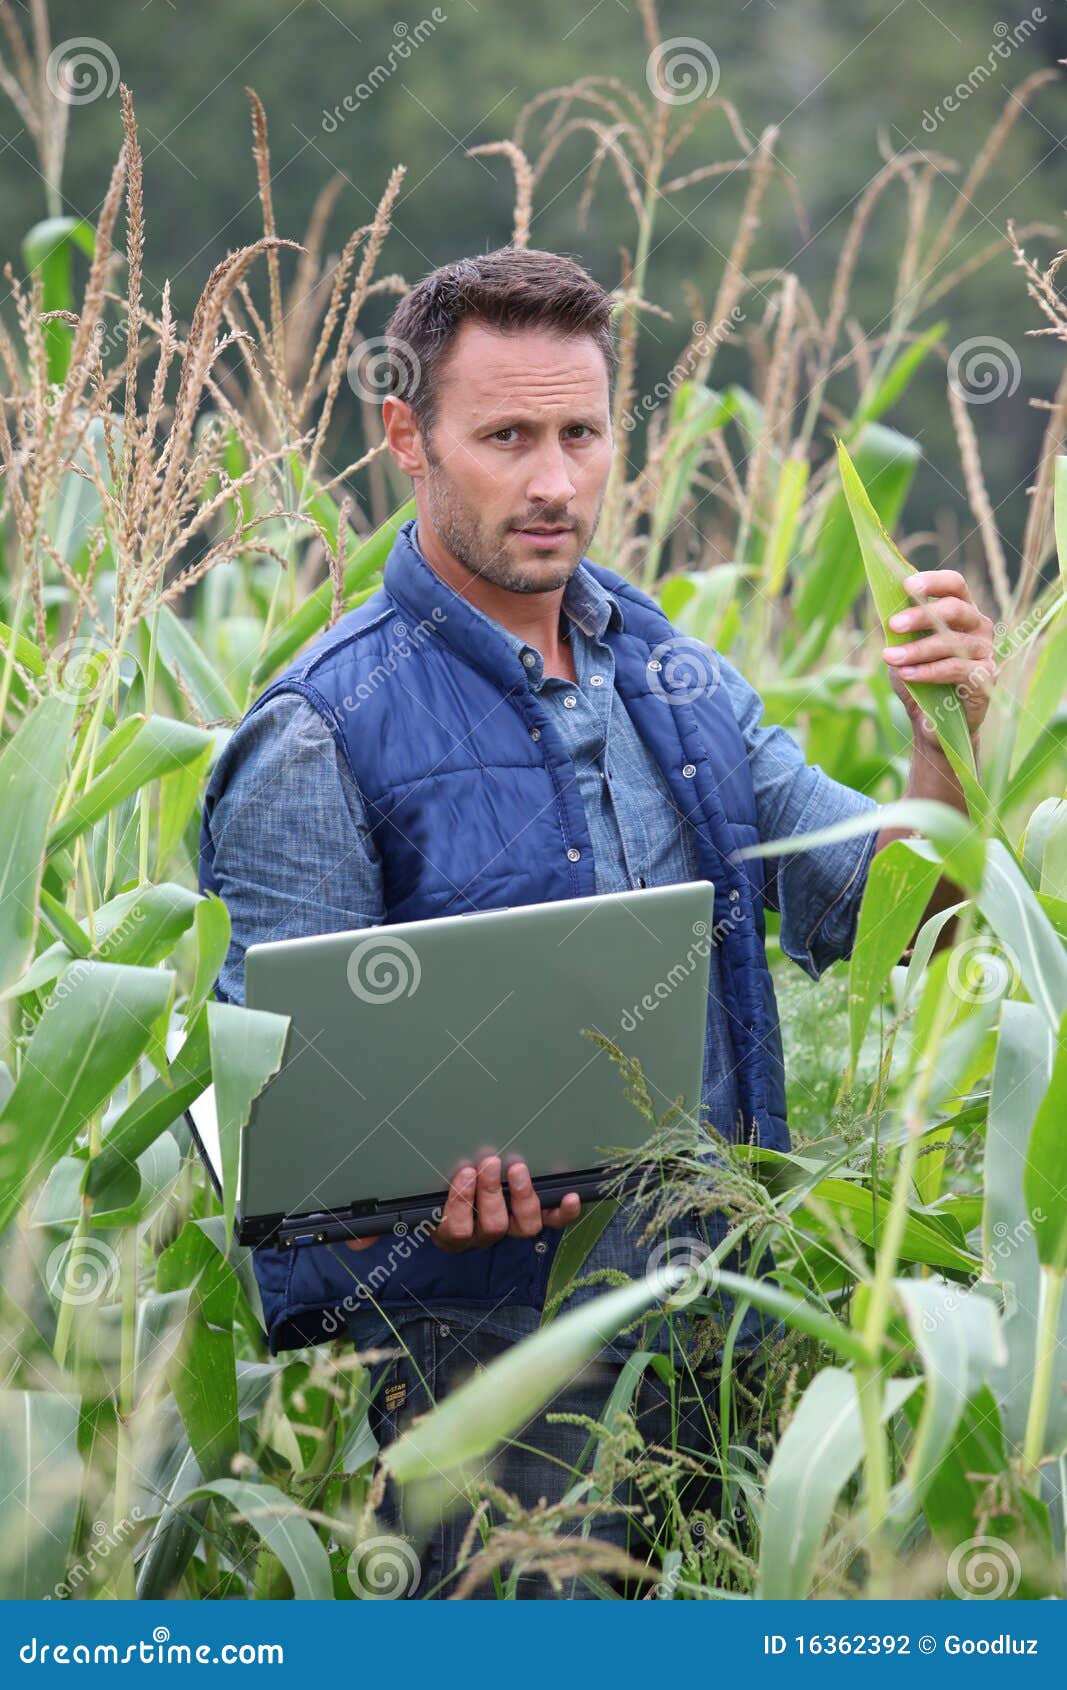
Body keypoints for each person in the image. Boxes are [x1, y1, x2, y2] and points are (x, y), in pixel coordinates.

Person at [199, 245, 996, 1598]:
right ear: (407, 435)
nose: (556, 481)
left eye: (581, 432)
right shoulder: (318, 736)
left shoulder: (677, 680)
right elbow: (286, 1162)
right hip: (491, 1414)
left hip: (723, 1362)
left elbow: (889, 925)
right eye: (506, 436)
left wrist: (948, 748)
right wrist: (420, 1208)